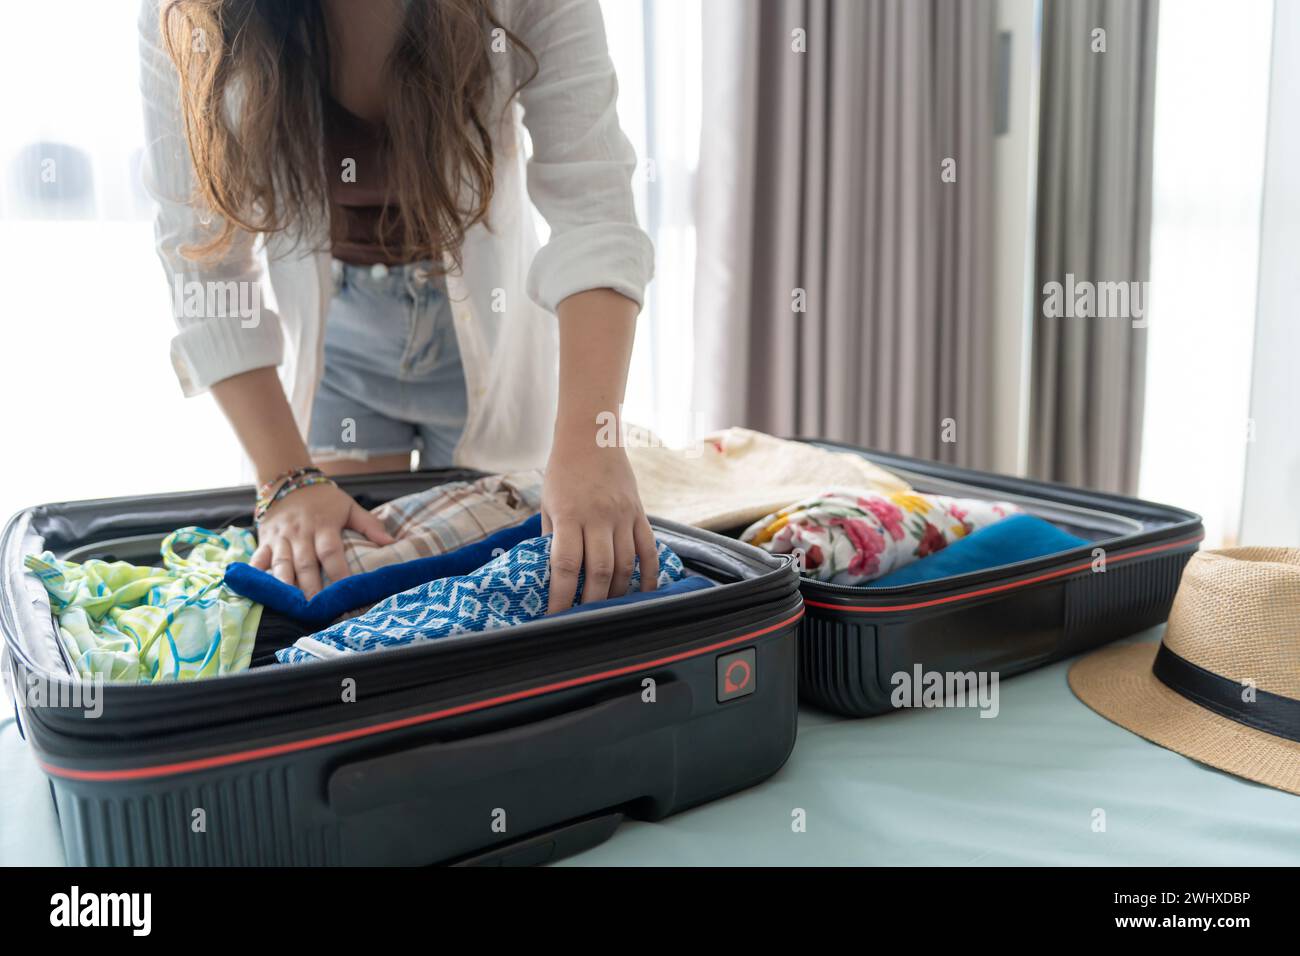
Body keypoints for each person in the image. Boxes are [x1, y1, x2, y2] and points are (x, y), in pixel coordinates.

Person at [139, 0, 657, 612]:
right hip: (341, 342)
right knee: (346, 587)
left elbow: (592, 208)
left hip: (489, 337)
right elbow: (203, 258)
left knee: (507, 591)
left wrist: (592, 445)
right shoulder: (184, 15)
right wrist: (285, 478)